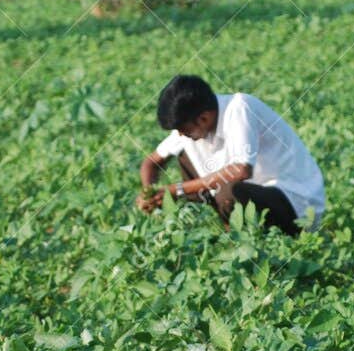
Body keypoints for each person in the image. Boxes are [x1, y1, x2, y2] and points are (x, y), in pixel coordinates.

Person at [136, 75, 325, 235]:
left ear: (203, 118)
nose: (180, 135)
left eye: (183, 130)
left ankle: (241, 240)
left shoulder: (239, 107)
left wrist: (178, 189)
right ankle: (220, 231)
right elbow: (151, 162)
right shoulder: (193, 125)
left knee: (229, 189)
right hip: (255, 198)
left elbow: (241, 170)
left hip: (296, 205)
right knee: (185, 155)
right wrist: (149, 193)